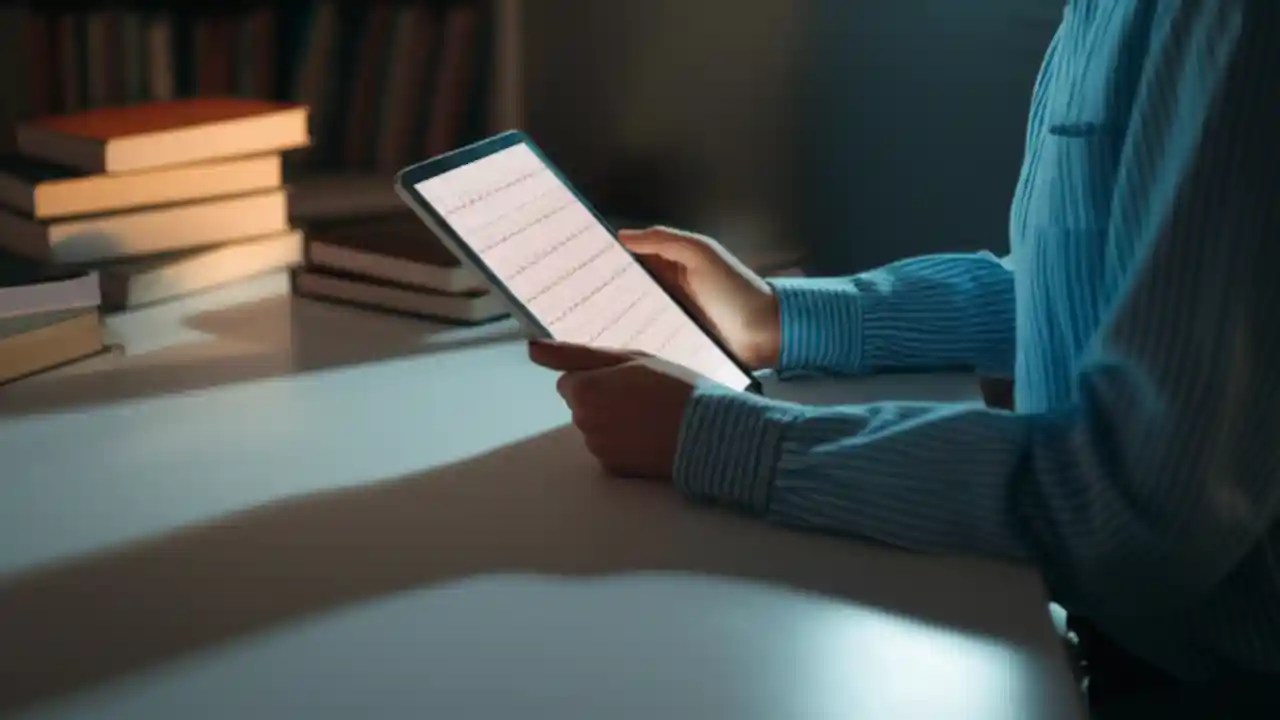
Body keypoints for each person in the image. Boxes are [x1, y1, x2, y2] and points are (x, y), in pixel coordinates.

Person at [529, 0, 1278, 712]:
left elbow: (1131, 505)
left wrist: (717, 439)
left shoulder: (1230, 26)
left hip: (1209, 682)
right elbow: (1089, 295)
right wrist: (781, 317)